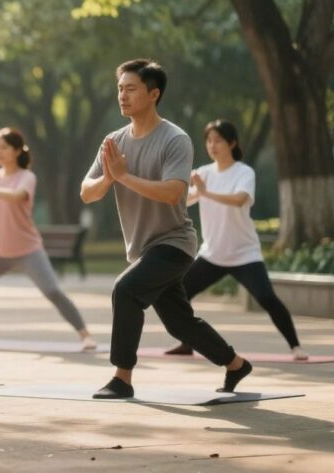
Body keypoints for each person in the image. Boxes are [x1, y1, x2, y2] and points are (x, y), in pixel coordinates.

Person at [81, 59, 251, 399]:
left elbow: (174, 191)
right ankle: (235, 364)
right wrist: (110, 176)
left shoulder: (175, 139)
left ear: (153, 93)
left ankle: (122, 378)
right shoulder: (113, 141)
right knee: (179, 323)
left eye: (131, 89)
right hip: (144, 249)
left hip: (174, 243)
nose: (122, 96)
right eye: (120, 89)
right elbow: (87, 192)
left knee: (126, 289)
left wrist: (124, 177)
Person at [165, 119, 306, 359]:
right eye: (209, 141)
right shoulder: (203, 173)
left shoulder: (243, 172)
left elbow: (240, 199)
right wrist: (187, 190)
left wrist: (205, 192)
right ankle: (187, 343)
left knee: (266, 298)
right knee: (179, 293)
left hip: (244, 254)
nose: (213, 145)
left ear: (232, 143)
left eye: (218, 140)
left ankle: (296, 346)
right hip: (213, 254)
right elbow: (182, 201)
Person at [0, 127, 95, 349]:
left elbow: (17, 196)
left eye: (4, 147)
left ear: (17, 151)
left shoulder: (26, 177)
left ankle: (85, 335)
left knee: (52, 291)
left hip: (28, 251)